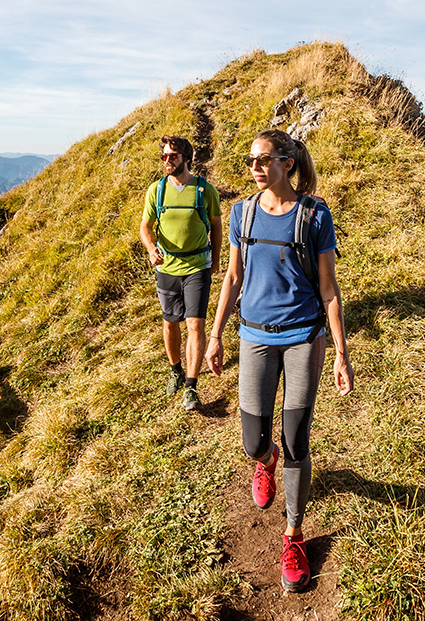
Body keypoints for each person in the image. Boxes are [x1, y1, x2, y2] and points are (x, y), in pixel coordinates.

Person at [206, 129, 353, 593]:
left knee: (296, 439)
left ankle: (293, 534)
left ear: (287, 163)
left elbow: (329, 290)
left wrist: (341, 354)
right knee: (254, 441)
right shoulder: (241, 213)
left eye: (264, 159)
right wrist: (214, 336)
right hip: (253, 336)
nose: (254, 167)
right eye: (251, 159)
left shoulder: (314, 215)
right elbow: (232, 277)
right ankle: (263, 460)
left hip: (304, 339)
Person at [139, 135, 222, 412]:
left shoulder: (204, 190)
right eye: (163, 156)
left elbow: (217, 226)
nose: (166, 161)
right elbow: (145, 226)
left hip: (197, 266)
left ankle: (191, 386)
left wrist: (217, 259)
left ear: (186, 158)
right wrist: (151, 248)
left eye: (172, 156)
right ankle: (175, 369)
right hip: (167, 268)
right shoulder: (157, 190)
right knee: (170, 322)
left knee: (195, 325)